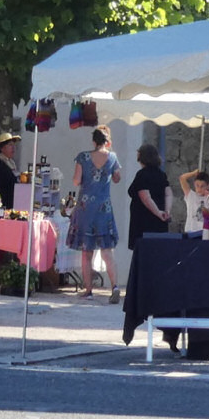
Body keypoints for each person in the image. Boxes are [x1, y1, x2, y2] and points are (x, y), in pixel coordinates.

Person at [66, 123, 122, 301]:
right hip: (103, 208)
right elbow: (117, 178)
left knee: (86, 251)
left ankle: (88, 290)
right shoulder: (112, 157)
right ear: (107, 142)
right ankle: (114, 286)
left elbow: (76, 181)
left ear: (93, 141)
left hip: (85, 208)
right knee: (107, 250)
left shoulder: (83, 157)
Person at [127, 143, 171, 249]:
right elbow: (168, 194)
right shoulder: (161, 174)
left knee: (143, 252)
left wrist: (157, 213)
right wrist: (167, 212)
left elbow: (145, 197)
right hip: (160, 221)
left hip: (144, 221)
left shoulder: (142, 175)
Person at [178, 168, 209, 239]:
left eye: (202, 186)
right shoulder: (190, 195)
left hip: (204, 233)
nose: (199, 188)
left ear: (207, 186)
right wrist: (193, 173)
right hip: (190, 232)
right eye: (197, 185)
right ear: (194, 184)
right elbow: (182, 178)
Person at [0, 132, 22, 210]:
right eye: (10, 145)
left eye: (14, 145)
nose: (13, 148)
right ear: (2, 148)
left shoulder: (11, 162)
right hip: (3, 203)